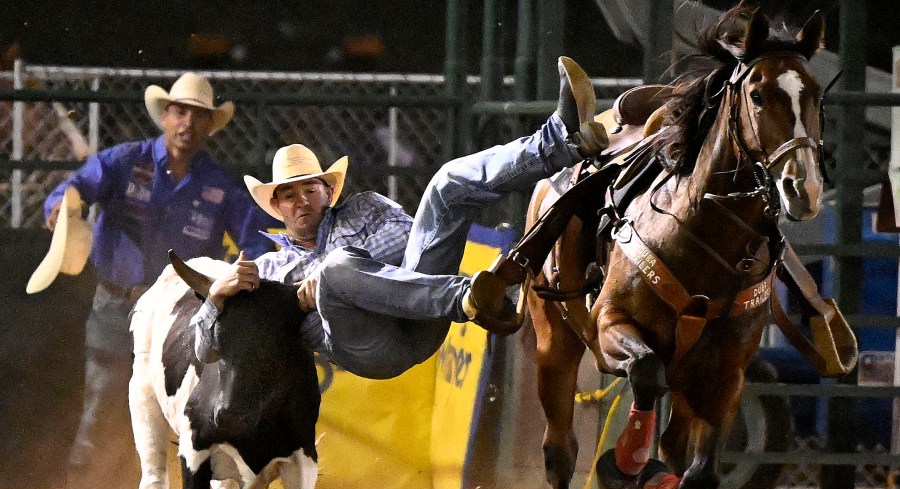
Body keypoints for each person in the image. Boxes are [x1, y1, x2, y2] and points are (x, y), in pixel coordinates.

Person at [194, 57, 608, 380]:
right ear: (277, 206)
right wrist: (217, 297)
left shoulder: (364, 206)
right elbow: (204, 350)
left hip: (422, 315)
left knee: (446, 182)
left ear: (328, 191)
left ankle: (563, 140)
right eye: (289, 194)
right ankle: (470, 298)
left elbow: (409, 242)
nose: (301, 200)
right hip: (369, 347)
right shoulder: (264, 268)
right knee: (337, 270)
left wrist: (326, 277)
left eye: (309, 189)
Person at [43, 73, 274, 489]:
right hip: (118, 308)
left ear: (210, 125)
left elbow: (258, 242)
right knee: (102, 417)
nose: (187, 122)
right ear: (165, 116)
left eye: (198, 115)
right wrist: (61, 209)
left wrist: (250, 270)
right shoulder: (123, 162)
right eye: (180, 111)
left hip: (180, 323)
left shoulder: (219, 186)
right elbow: (74, 190)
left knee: (192, 421)